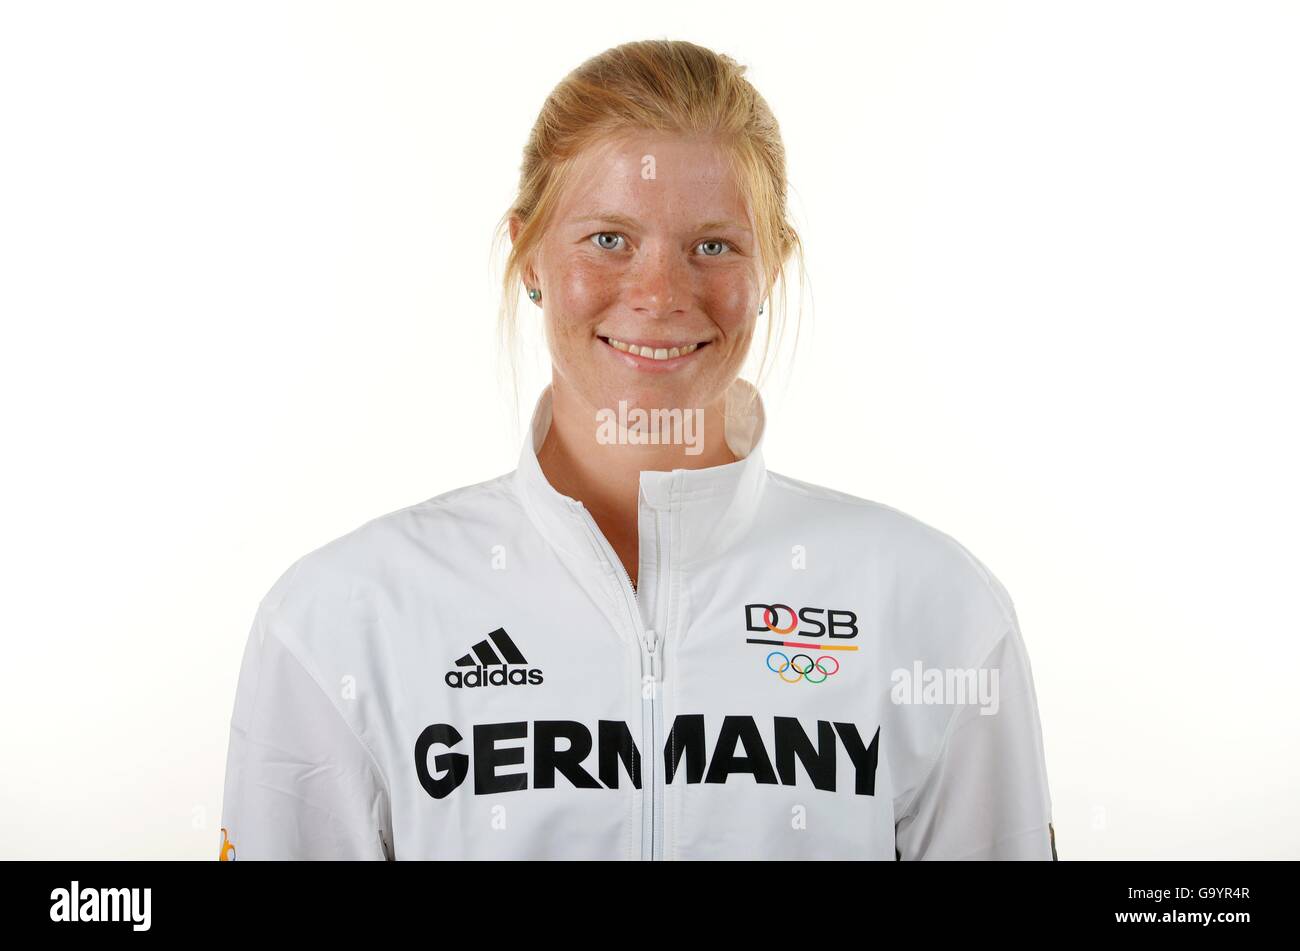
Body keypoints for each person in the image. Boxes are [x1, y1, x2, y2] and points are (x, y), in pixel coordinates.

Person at [218, 39, 1056, 861]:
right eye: (609, 239)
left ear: (772, 268)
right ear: (530, 254)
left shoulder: (936, 613)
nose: (660, 295)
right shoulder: (341, 621)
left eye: (714, 245)